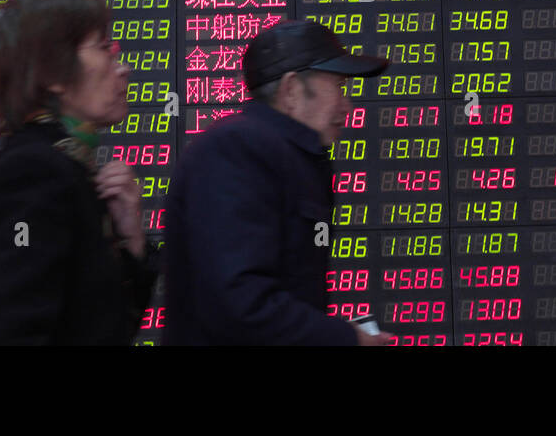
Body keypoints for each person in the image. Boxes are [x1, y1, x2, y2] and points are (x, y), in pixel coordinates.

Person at [163, 19, 393, 345]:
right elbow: (239, 304)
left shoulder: (290, 157)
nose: (347, 105)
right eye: (338, 86)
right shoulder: (236, 149)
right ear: (291, 90)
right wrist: (343, 339)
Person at [0, 0, 157, 345]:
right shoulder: (30, 174)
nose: (124, 68)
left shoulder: (67, 169)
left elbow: (102, 328)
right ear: (54, 74)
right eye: (104, 49)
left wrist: (132, 244)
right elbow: (6, 332)